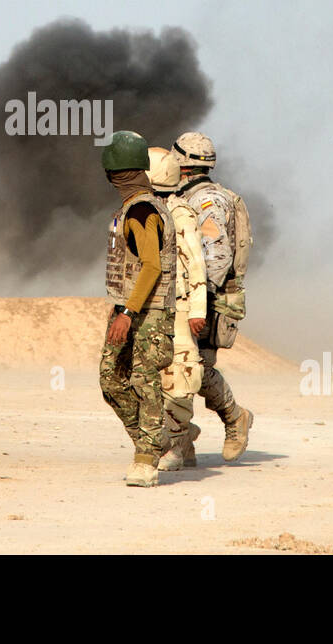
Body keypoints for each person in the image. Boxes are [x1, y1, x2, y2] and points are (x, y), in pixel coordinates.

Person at [99, 130, 176, 487]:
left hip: (149, 313)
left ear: (114, 172)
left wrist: (128, 314)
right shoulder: (131, 208)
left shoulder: (144, 211)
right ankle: (151, 438)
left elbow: (152, 266)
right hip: (127, 309)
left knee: (145, 382)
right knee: (111, 380)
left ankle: (146, 459)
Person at [172, 131, 254, 461]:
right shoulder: (188, 197)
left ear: (181, 163)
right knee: (175, 366)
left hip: (207, 300)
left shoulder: (207, 202)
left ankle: (235, 418)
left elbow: (216, 258)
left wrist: (196, 302)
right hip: (191, 298)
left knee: (198, 370)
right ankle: (180, 438)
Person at [146, 147, 208, 472]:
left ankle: (177, 442)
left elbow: (195, 263)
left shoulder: (179, 212)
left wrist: (198, 309)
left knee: (182, 376)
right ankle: (178, 439)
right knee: (149, 377)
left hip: (180, 307)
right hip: (151, 307)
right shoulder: (142, 209)